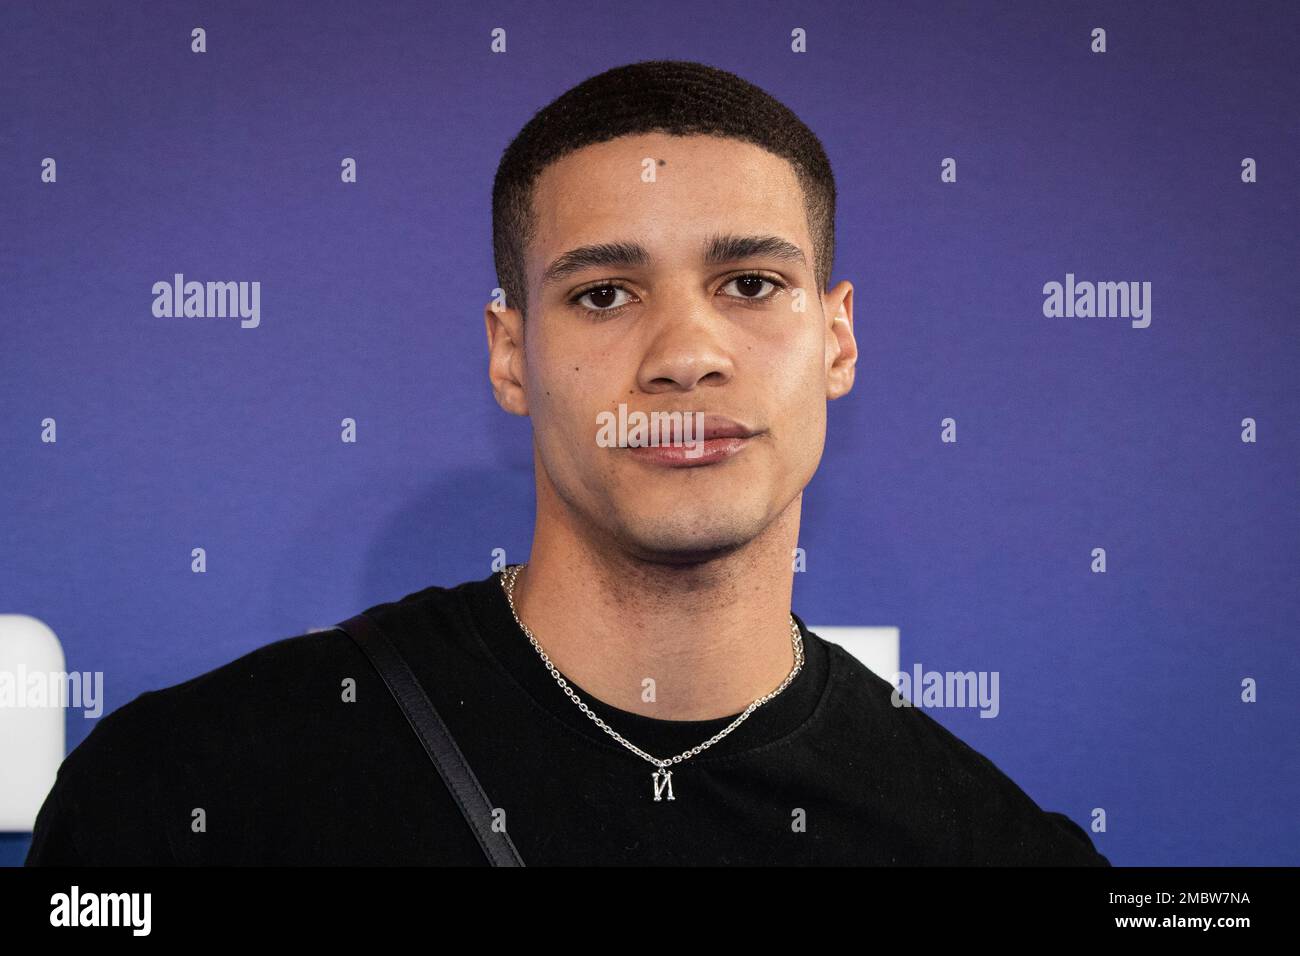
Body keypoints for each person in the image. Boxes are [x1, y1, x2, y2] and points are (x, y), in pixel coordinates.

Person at [26, 59, 1107, 866]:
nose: (686, 354)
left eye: (750, 283)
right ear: (511, 353)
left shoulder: (988, 845)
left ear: (838, 339)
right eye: (602, 293)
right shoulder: (189, 790)